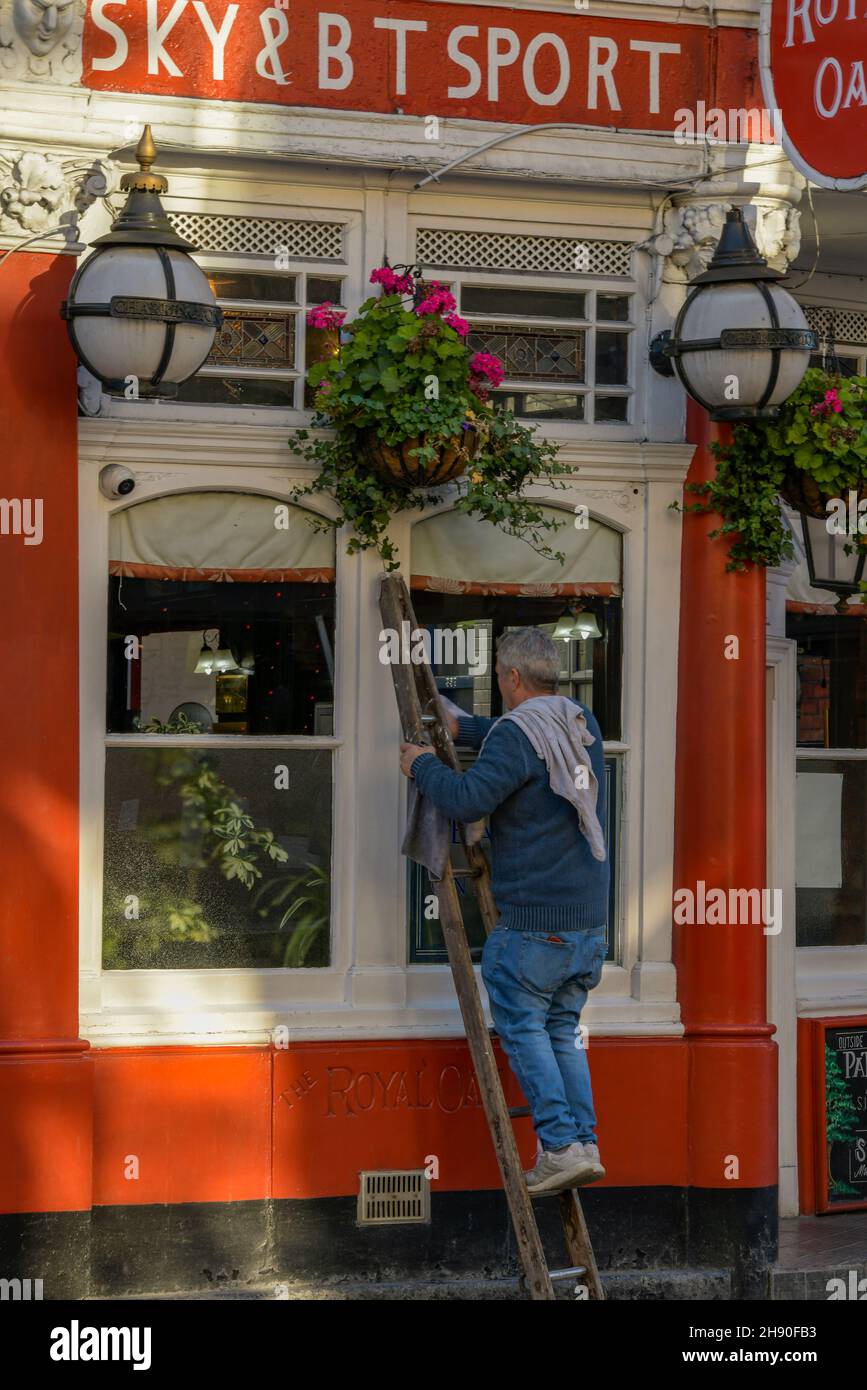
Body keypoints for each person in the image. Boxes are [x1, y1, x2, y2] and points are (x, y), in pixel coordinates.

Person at [399, 626, 610, 1196]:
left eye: (497, 677)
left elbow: (468, 799)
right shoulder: (578, 723)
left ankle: (560, 1147)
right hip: (589, 924)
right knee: (562, 1030)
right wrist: (464, 727)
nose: (499, 685)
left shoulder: (522, 736)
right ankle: (584, 1144)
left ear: (512, 678)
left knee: (522, 1024)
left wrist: (421, 764)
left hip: (536, 924)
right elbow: (520, 745)